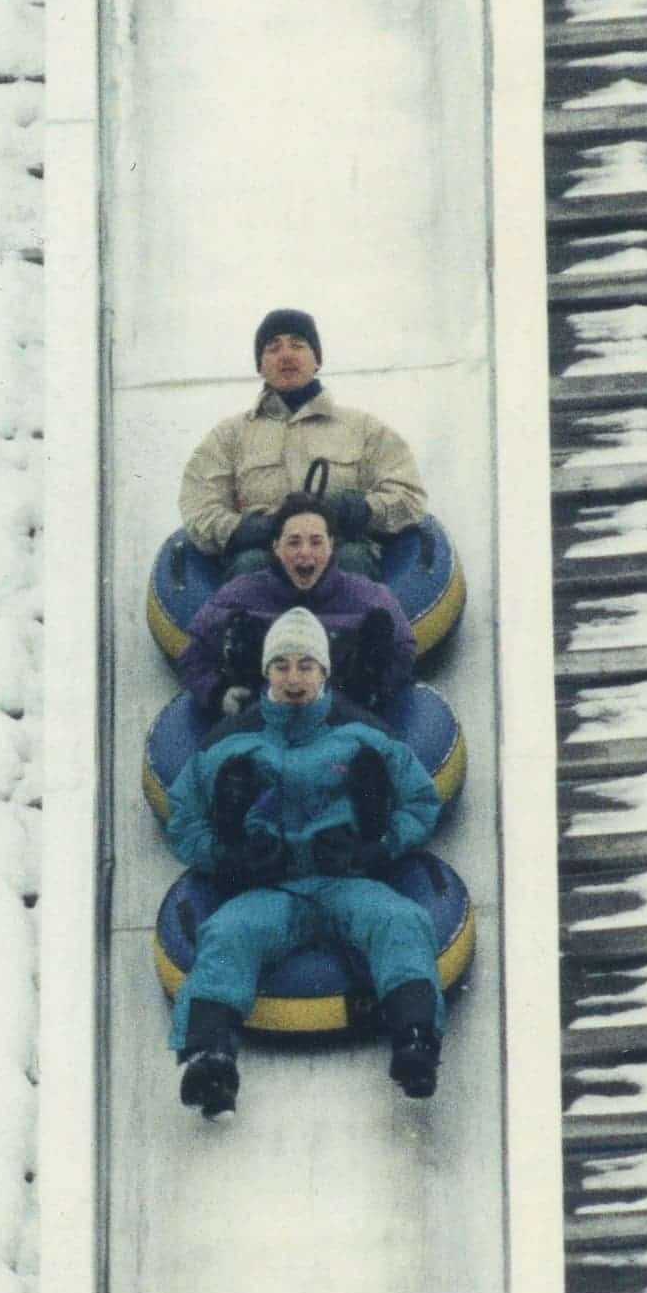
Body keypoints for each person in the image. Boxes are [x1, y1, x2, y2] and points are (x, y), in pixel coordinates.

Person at [166, 609, 444, 1116]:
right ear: (267, 673)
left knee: (400, 920)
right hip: (269, 887)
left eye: (306, 666)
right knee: (228, 933)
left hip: (345, 880)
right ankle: (210, 1059)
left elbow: (422, 803)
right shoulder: (229, 741)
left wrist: (377, 847)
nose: (294, 678)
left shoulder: (364, 734)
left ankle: (416, 1042)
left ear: (324, 672)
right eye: (283, 666)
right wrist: (228, 856)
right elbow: (184, 821)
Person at [179, 309, 426, 580]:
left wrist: (358, 509)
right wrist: (243, 530)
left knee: (352, 559)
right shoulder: (228, 436)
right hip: (262, 560)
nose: (286, 355)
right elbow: (199, 507)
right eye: (273, 348)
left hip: (343, 560)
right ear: (260, 366)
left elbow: (409, 497)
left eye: (297, 345)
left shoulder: (365, 428)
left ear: (316, 360)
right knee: (251, 566)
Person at [180, 492, 416, 725]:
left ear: (331, 545)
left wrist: (375, 690)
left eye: (316, 541)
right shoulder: (239, 595)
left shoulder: (370, 597)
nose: (305, 552)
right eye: (294, 542)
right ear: (276, 547)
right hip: (263, 717)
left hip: (341, 718)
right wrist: (218, 693)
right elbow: (195, 653)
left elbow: (403, 648)